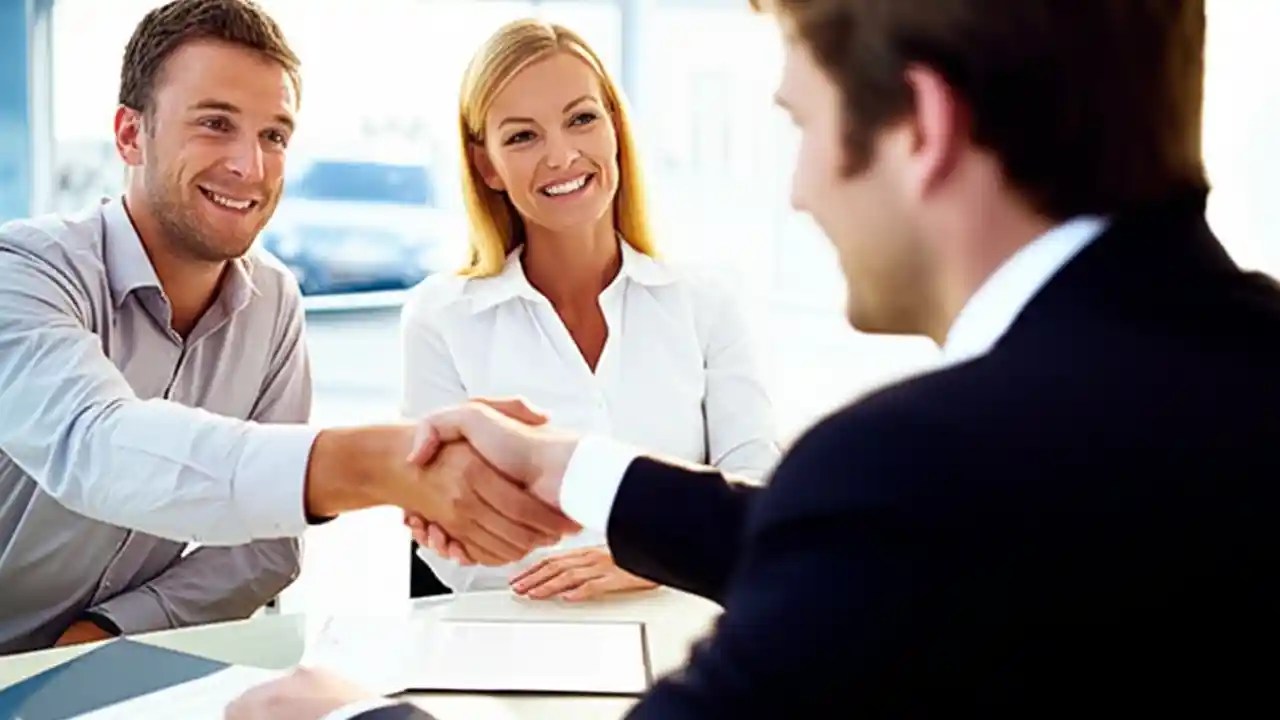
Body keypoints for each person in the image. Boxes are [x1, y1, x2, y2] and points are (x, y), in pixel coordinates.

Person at [229, 0, 1280, 718]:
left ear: (921, 128)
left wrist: (355, 713)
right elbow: (833, 545)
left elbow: (864, 535)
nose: (797, 192)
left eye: (802, 122)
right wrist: (575, 471)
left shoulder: (901, 472)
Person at [0, 0, 573, 655]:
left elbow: (264, 552)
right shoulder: (24, 271)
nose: (251, 166)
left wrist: (105, 634)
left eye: (274, 135)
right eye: (215, 124)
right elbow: (97, 445)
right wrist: (385, 464)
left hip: (111, 670)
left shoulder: (273, 302)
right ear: (131, 135)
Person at [401, 18, 780, 598]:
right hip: (512, 642)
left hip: (683, 636)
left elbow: (756, 490)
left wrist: (645, 562)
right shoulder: (442, 315)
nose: (561, 156)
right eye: (523, 136)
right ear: (487, 165)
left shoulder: (705, 302)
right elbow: (442, 527)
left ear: (615, 130)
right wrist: (642, 555)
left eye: (581, 119)